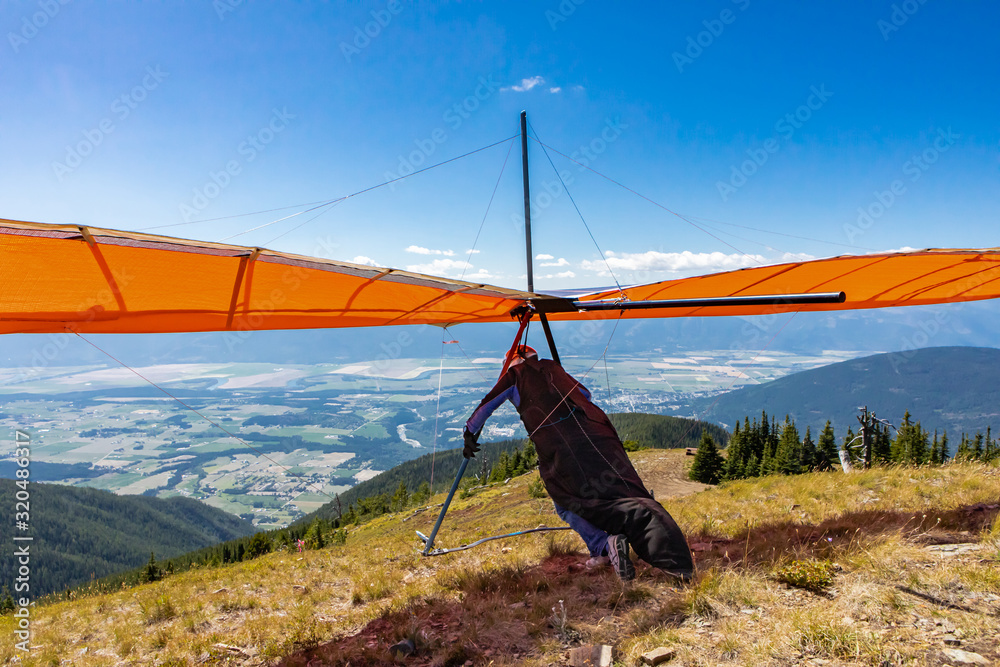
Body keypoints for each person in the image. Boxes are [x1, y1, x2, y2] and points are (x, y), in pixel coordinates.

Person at [463, 345, 694, 582]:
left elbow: (486, 405)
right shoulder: (553, 366)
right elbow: (585, 395)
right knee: (622, 489)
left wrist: (469, 432)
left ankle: (604, 546)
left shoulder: (515, 375)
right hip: (599, 432)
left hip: (564, 444)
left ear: (511, 363)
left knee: (566, 500)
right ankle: (672, 559)